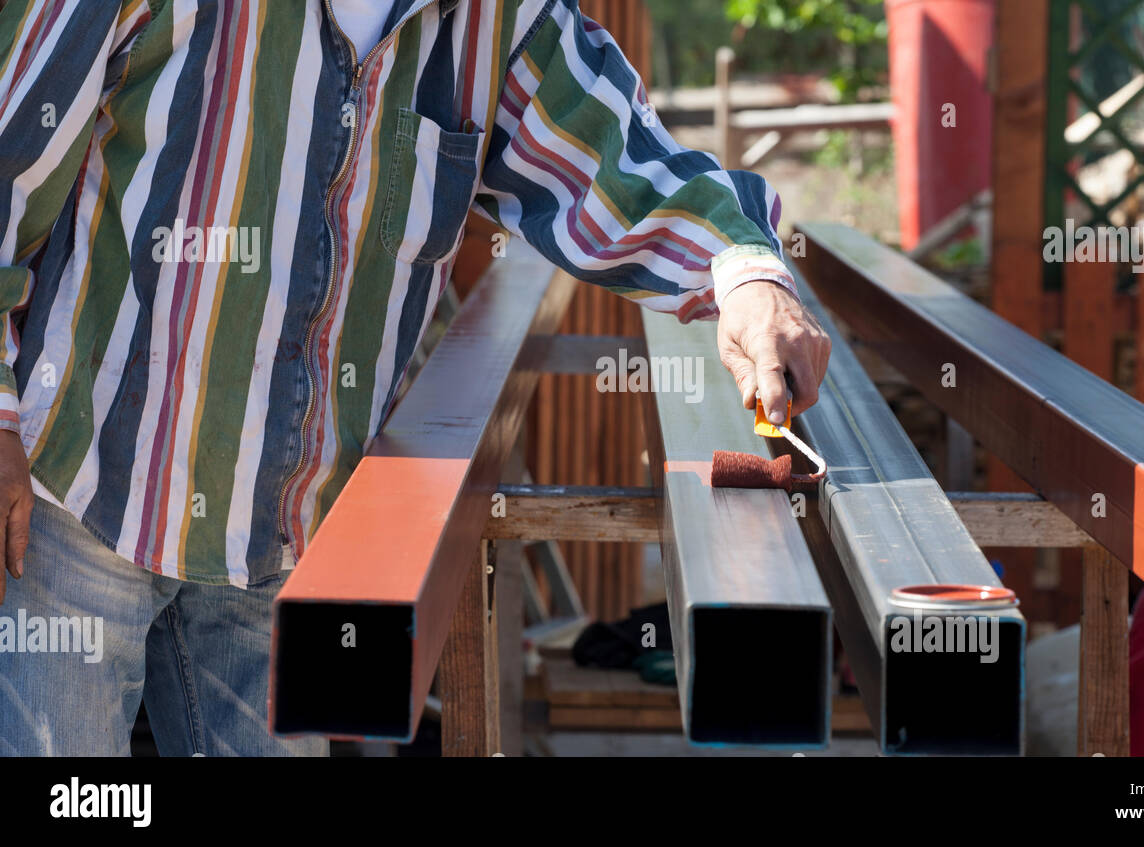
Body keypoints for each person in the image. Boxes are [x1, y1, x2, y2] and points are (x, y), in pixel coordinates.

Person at [0, 0, 830, 755]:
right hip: (75, 494)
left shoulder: (503, 21)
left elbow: (620, 159)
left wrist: (746, 272)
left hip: (283, 529)